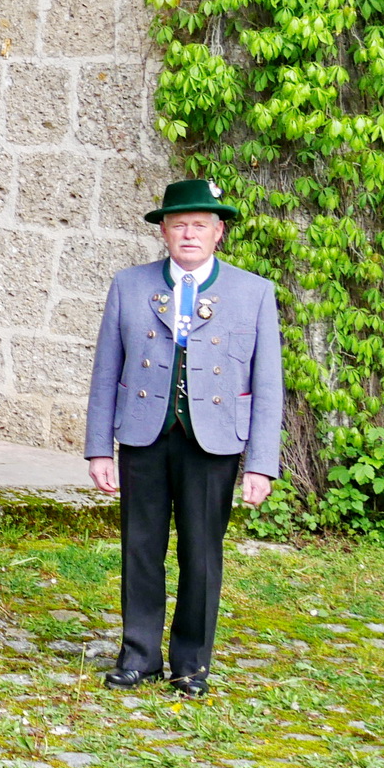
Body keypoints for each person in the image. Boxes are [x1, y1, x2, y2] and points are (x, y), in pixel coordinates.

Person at [84, 177, 282, 697]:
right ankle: (139, 655)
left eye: (199, 225)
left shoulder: (254, 291)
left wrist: (261, 463)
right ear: (164, 233)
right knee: (140, 548)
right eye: (178, 225)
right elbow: (107, 370)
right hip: (146, 435)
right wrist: (100, 447)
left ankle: (191, 664)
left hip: (213, 441)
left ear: (219, 233)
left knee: (201, 551)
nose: (188, 234)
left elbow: (267, 384)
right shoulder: (130, 285)